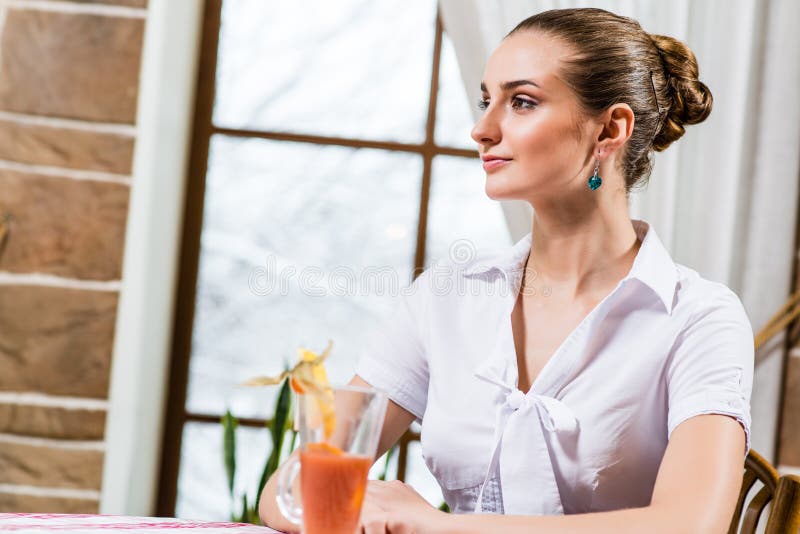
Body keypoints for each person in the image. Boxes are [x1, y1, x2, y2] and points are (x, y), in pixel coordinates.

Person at [260, 7, 754, 533]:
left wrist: (434, 526)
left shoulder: (699, 318)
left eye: (521, 102)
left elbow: (690, 526)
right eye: (485, 100)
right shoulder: (446, 300)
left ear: (611, 128)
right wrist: (349, 508)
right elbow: (287, 491)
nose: (482, 128)